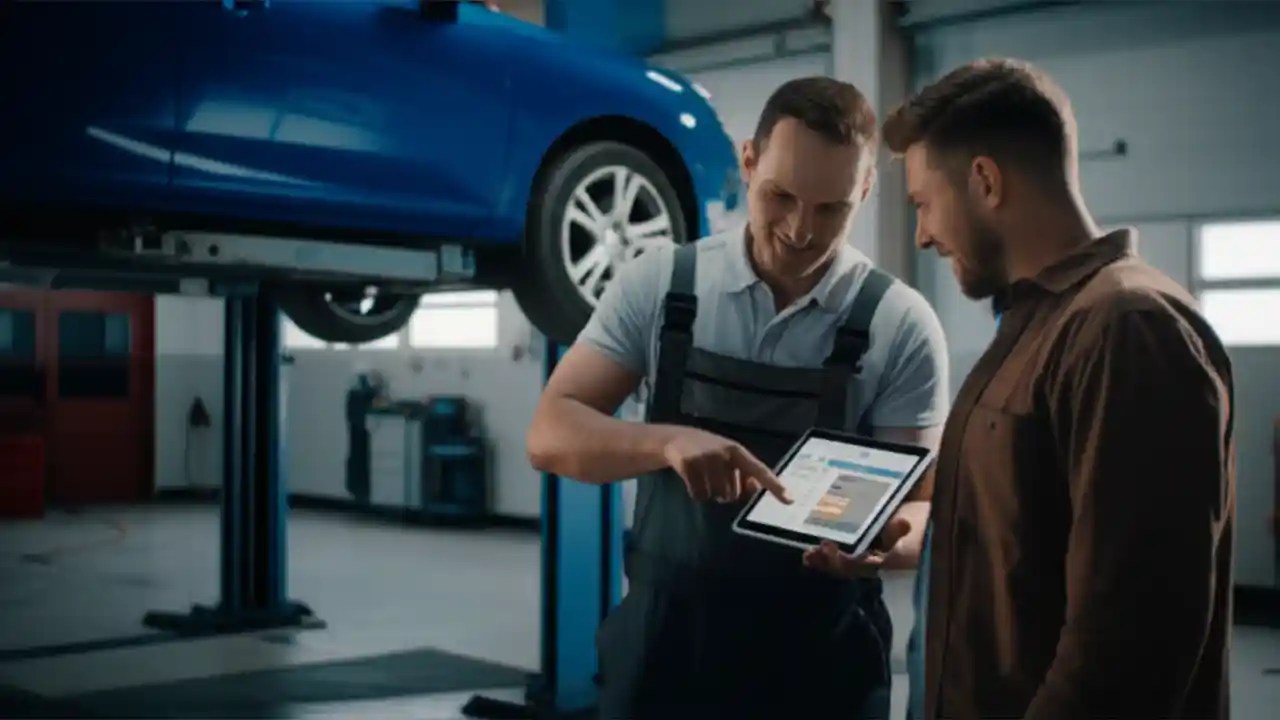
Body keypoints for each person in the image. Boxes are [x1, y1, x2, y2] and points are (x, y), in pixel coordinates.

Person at [526, 76, 950, 719]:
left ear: (864, 191)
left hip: (820, 669)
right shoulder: (661, 286)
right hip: (663, 659)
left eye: (832, 207)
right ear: (749, 161)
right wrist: (666, 441)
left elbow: (924, 513)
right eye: (780, 196)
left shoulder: (900, 324)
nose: (802, 231)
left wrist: (886, 545)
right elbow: (551, 434)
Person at [874, 57, 1234, 719]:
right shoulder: (1037, 323)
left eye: (924, 204)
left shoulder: (1127, 330)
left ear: (984, 180)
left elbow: (1127, 646)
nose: (922, 234)